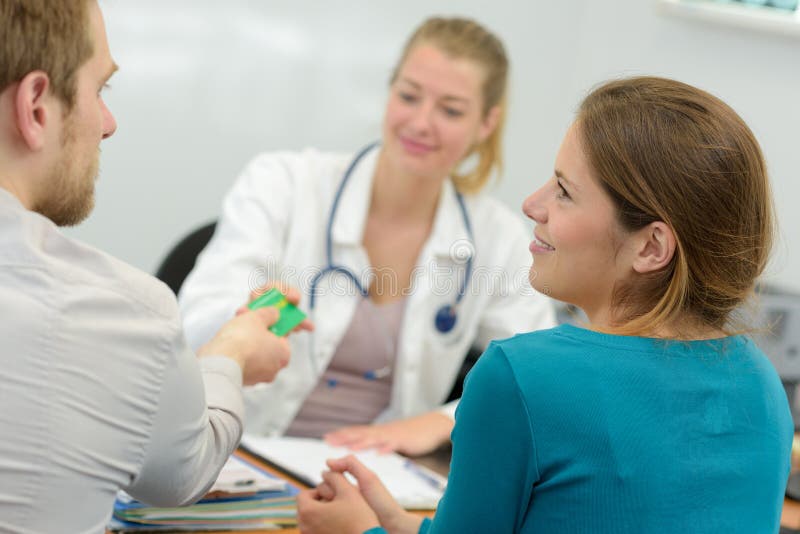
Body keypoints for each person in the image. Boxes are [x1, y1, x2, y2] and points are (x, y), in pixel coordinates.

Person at [294, 76, 794, 533]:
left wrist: (359, 530)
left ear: (650, 248)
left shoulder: (521, 377)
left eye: (564, 192)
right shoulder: (760, 384)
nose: (533, 205)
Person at [178, 17, 555, 455]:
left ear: (486, 124)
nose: (420, 123)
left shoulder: (497, 238)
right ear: (389, 91)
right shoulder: (282, 184)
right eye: (408, 96)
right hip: (239, 450)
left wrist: (440, 422)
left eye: (450, 110)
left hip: (374, 474)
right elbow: (196, 323)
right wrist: (245, 320)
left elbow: (537, 377)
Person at [0, 1, 305, 532]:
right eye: (100, 90)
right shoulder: (119, 312)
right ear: (36, 107)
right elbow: (183, 473)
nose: (108, 124)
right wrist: (231, 352)